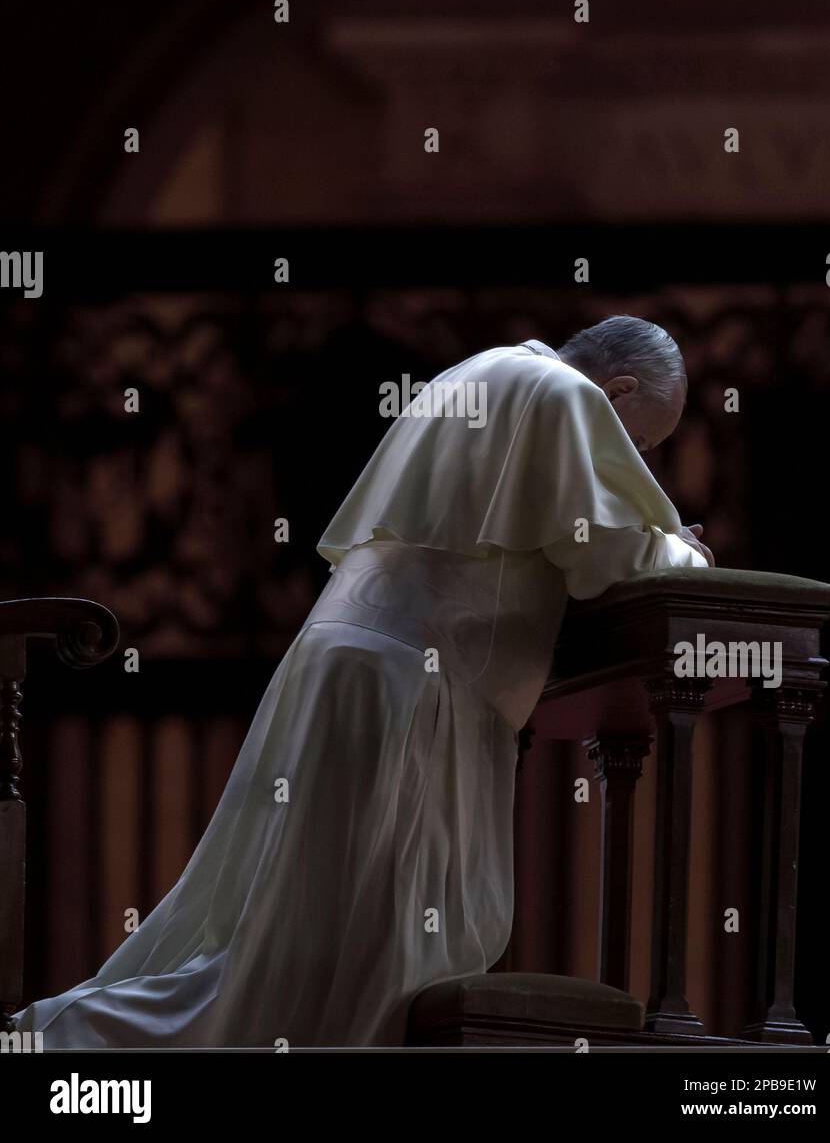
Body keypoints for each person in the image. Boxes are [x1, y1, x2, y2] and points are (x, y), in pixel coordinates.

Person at [12, 317, 710, 1049]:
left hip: (359, 662)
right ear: (618, 388)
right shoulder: (560, 392)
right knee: (369, 953)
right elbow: (600, 552)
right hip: (413, 684)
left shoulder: (482, 371)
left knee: (298, 937)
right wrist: (682, 551)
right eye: (640, 443)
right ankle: (61, 1046)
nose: (631, 464)